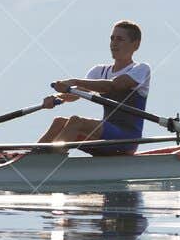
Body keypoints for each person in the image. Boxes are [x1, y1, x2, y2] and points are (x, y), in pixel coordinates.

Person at [37, 21, 151, 156]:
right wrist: (57, 99)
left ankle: (49, 161)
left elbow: (113, 85)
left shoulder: (141, 69)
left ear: (135, 44)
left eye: (120, 39)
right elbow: (76, 93)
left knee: (75, 121)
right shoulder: (99, 71)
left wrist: (72, 81)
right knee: (59, 122)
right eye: (112, 38)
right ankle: (31, 158)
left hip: (126, 139)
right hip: (106, 137)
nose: (114, 43)